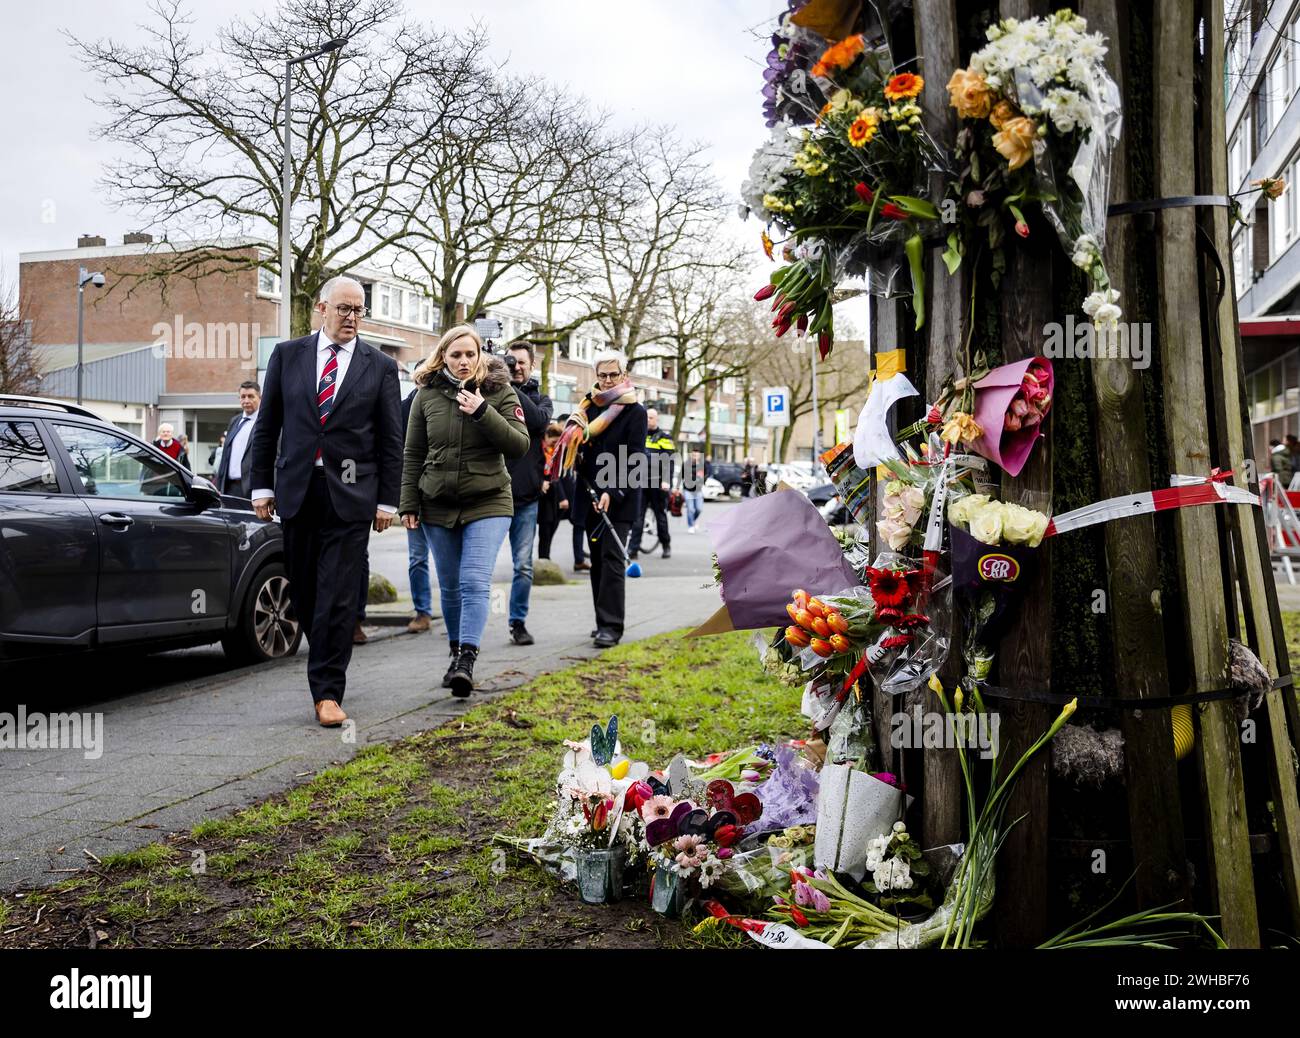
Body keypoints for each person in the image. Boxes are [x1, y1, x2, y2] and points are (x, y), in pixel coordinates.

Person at [250, 276, 403, 728]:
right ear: (322, 308)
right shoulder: (287, 355)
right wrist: (262, 487)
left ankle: (327, 690)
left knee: (337, 595)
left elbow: (391, 439)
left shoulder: (379, 366)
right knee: (304, 591)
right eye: (344, 309)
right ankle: (325, 664)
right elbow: (268, 425)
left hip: (352, 494)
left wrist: (386, 502)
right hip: (298, 490)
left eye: (359, 310)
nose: (352, 318)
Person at [400, 325, 528, 697]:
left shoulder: (499, 391)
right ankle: (456, 654)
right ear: (443, 357)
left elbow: (519, 444)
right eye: (455, 355)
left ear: (479, 357)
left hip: (488, 501)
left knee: (474, 580)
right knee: (451, 586)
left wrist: (482, 411)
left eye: (470, 354)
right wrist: (408, 503)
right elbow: (413, 454)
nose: (463, 361)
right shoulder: (425, 397)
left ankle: (467, 659)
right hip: (437, 503)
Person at [548, 350, 647, 649]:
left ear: (623, 375)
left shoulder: (635, 411)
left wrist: (612, 491)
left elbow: (635, 458)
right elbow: (576, 451)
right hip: (588, 494)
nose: (606, 381)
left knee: (612, 559)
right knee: (597, 563)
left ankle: (611, 626)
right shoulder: (586, 409)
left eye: (612, 375)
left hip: (620, 497)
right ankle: (601, 621)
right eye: (602, 375)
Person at [503, 341, 553, 646]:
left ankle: (517, 622)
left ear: (531, 365)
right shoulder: (492, 391)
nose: (516, 368)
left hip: (526, 498)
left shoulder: (542, 399)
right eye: (510, 363)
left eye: (521, 363)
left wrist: (508, 385)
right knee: (475, 568)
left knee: (522, 565)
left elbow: (537, 421)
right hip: (490, 496)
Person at [401, 384, 434, 634]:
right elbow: (404, 455)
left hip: (446, 494)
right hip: (417, 495)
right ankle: (422, 611)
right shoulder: (403, 409)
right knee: (417, 558)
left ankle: (462, 609)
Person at [631, 408, 674, 560]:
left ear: (657, 420)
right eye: (646, 417)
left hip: (658, 483)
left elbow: (669, 462)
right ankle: (633, 549)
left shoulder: (664, 438)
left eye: (651, 418)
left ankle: (666, 545)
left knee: (660, 516)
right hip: (641, 482)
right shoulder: (639, 435)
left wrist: (666, 481)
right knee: (638, 517)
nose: (648, 420)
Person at [214, 380, 261, 497]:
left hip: (253, 489)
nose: (246, 401)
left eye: (251, 396)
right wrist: (219, 486)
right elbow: (225, 455)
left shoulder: (265, 421)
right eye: (243, 397)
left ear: (260, 398)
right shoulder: (234, 421)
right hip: (230, 489)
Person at [537, 421, 569, 560]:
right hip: (543, 496)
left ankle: (546, 558)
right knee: (545, 530)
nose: (554, 444)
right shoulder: (540, 451)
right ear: (546, 437)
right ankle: (544, 559)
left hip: (553, 495)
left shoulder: (555, 453)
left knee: (551, 527)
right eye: (553, 441)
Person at [682, 450, 708, 534]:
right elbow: (682, 475)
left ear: (699, 456)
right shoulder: (686, 464)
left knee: (699, 509)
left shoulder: (702, 465)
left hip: (698, 490)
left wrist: (703, 481)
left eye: (696, 455)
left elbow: (706, 474)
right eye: (693, 455)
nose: (695, 457)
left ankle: (693, 520)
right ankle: (691, 526)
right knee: (690, 509)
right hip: (688, 490)